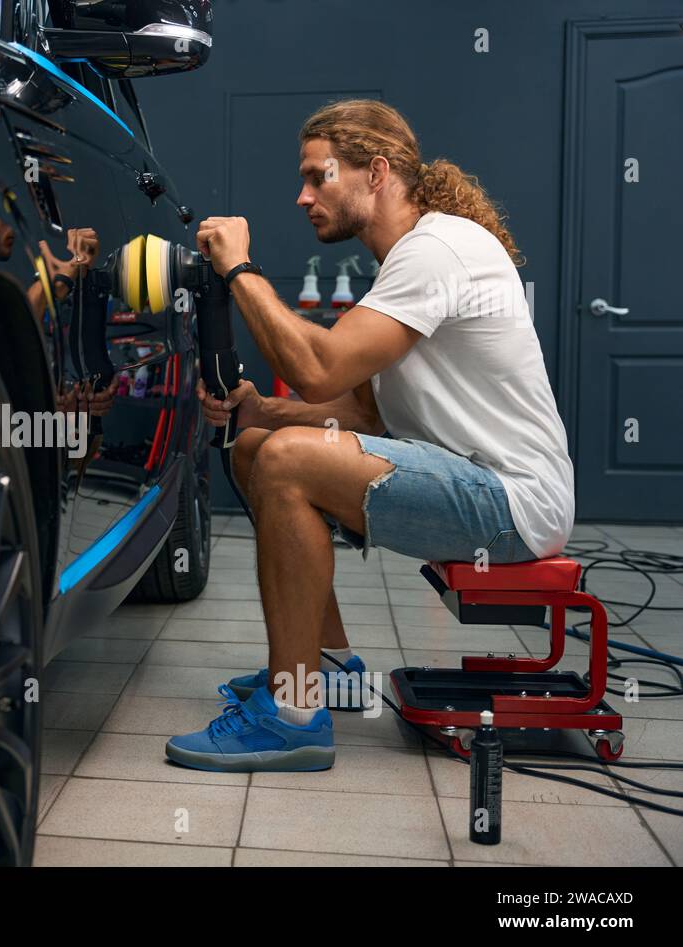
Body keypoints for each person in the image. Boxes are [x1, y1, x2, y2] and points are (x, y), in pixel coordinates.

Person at [165, 99, 574, 773]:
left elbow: (319, 367)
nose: (302, 197)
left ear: (376, 173)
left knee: (289, 464)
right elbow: (361, 419)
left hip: (513, 502)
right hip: (466, 481)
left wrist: (240, 270)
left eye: (317, 177)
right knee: (256, 447)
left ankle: (293, 714)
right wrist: (258, 409)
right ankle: (329, 667)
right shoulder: (409, 261)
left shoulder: (436, 250)